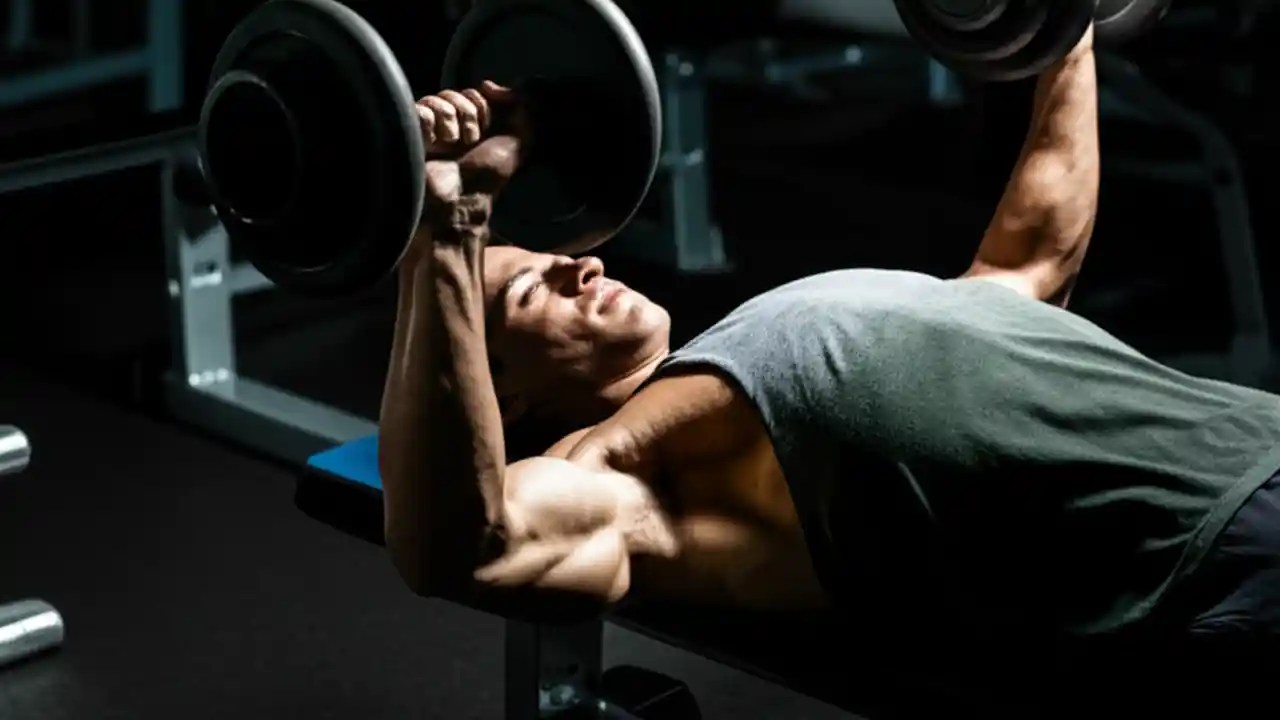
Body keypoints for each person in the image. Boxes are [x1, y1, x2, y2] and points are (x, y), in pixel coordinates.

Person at [377, 25, 1280, 693]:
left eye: (555, 258)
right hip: (1219, 569)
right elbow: (461, 547)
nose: (580, 265)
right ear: (505, 395)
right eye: (529, 292)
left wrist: (1062, 38)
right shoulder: (626, 477)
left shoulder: (753, 333)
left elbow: (1027, 261)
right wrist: (452, 224)